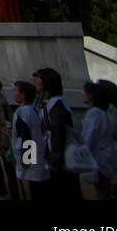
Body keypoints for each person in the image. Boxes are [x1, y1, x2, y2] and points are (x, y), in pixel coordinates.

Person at [33, 67, 82, 200]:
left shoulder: (56, 104)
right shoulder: (48, 104)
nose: (36, 81)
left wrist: (55, 159)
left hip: (60, 160)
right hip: (53, 157)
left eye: (39, 78)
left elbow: (57, 132)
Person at [11, 80, 50, 199]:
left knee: (33, 190)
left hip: (30, 158)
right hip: (36, 157)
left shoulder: (23, 112)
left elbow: (27, 136)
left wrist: (27, 158)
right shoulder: (32, 111)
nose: (14, 93)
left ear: (23, 95)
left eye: (16, 91)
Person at [81, 82, 117, 199]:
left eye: (84, 91)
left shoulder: (94, 113)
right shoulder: (101, 113)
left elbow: (88, 138)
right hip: (105, 162)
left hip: (100, 163)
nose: (82, 94)